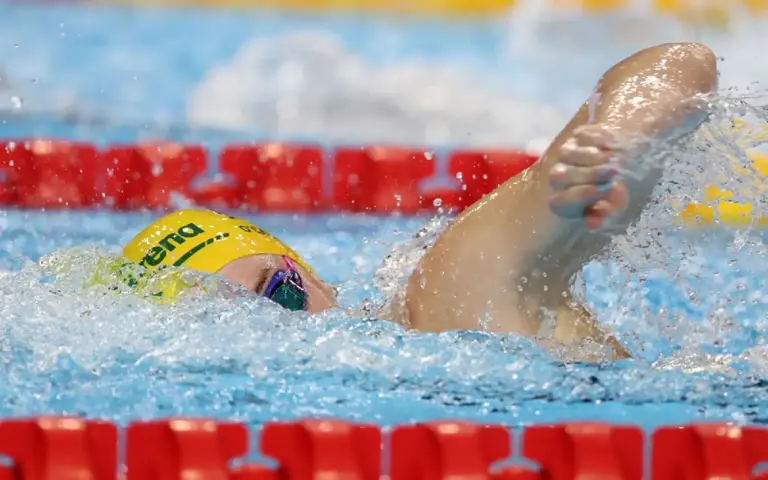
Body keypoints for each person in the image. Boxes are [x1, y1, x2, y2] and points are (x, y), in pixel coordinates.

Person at [121, 42, 717, 360]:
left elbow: (680, 62)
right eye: (220, 335)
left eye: (277, 295)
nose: (275, 335)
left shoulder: (449, 303)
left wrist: (619, 139)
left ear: (316, 278)